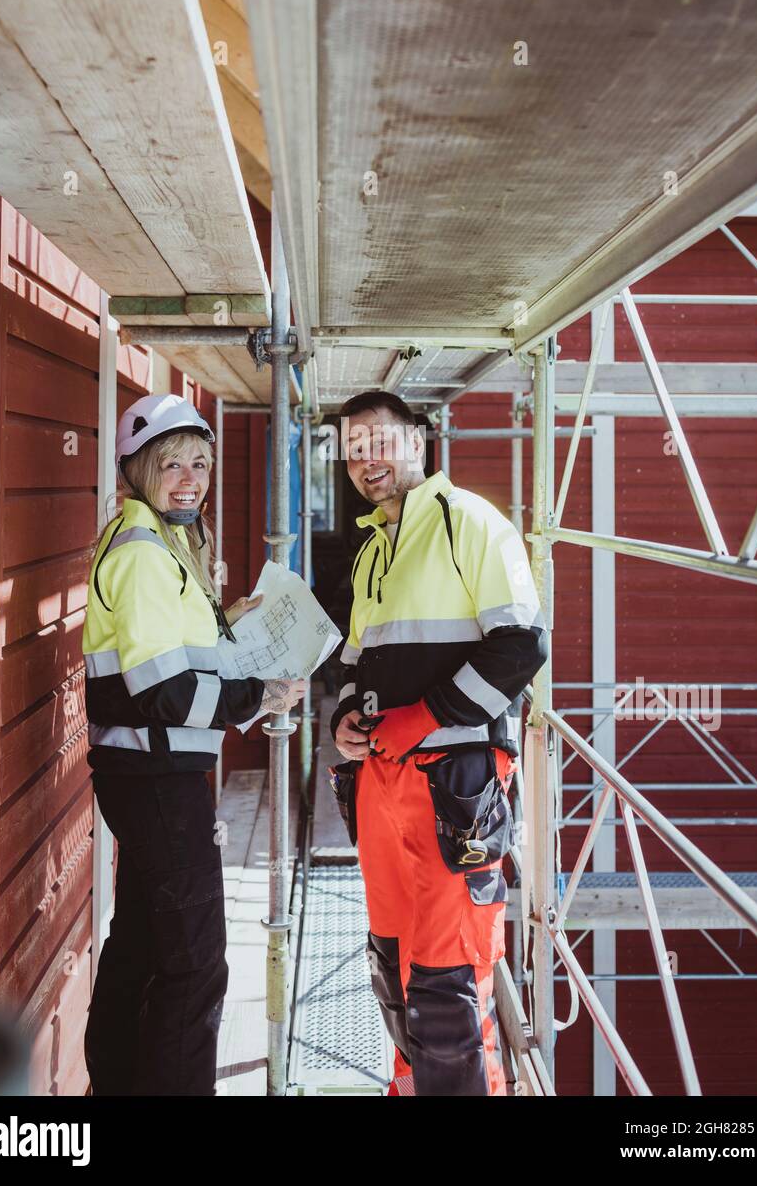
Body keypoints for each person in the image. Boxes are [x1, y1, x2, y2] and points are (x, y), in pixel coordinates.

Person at [82, 392, 304, 1096]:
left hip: (147, 770)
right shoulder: (147, 555)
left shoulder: (157, 543)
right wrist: (261, 696)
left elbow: (170, 659)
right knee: (197, 962)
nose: (190, 477)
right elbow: (166, 693)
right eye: (170, 462)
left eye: (200, 463)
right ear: (136, 468)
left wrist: (225, 625)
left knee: (144, 943)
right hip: (155, 775)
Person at [330, 390, 549, 1096]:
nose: (367, 460)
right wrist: (344, 720)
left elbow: (522, 648)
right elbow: (356, 664)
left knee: (449, 980)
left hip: (454, 786)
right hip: (382, 786)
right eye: (352, 448)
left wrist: (422, 717)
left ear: (418, 439)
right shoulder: (371, 553)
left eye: (379, 440)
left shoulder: (472, 525)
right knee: (394, 969)